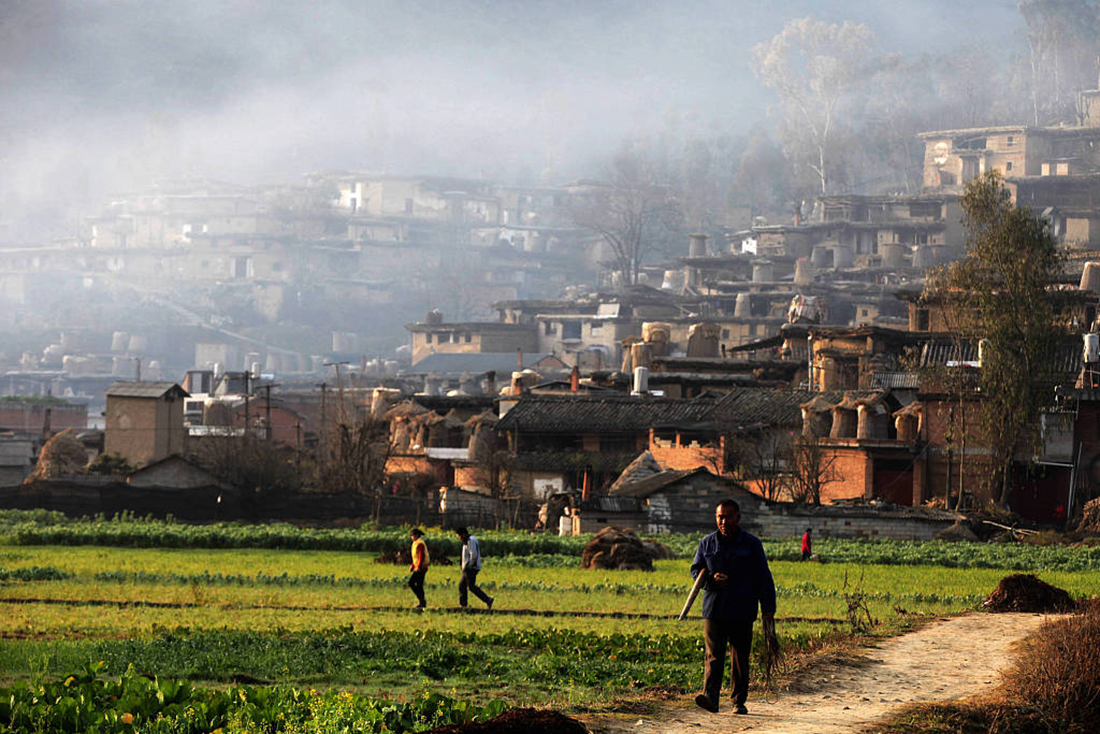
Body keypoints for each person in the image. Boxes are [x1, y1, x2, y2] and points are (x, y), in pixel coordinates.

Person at [690, 499, 776, 715]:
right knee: (713, 655)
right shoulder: (707, 543)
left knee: (739, 657)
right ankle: (710, 697)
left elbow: (763, 578)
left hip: (742, 608)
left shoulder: (751, 544)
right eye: (720, 516)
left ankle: (738, 701)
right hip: (714, 608)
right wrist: (711, 579)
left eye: (728, 516)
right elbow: (695, 571)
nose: (724, 521)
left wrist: (768, 608)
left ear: (738, 517)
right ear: (715, 517)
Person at [455, 527, 494, 609]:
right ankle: (464, 604)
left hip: (472, 568)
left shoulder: (471, 541)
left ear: (464, 534)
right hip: (468, 567)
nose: (459, 538)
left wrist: (469, 566)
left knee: (470, 587)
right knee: (463, 586)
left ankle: (487, 600)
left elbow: (474, 555)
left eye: (459, 536)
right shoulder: (466, 542)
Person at [408, 528, 430, 610]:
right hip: (418, 567)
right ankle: (422, 602)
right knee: (419, 585)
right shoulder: (415, 543)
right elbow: (416, 557)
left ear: (416, 535)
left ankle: (422, 601)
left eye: (412, 535)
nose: (411, 537)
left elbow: (421, 556)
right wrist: (413, 565)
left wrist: (418, 567)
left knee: (411, 583)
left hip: (421, 568)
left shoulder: (420, 543)